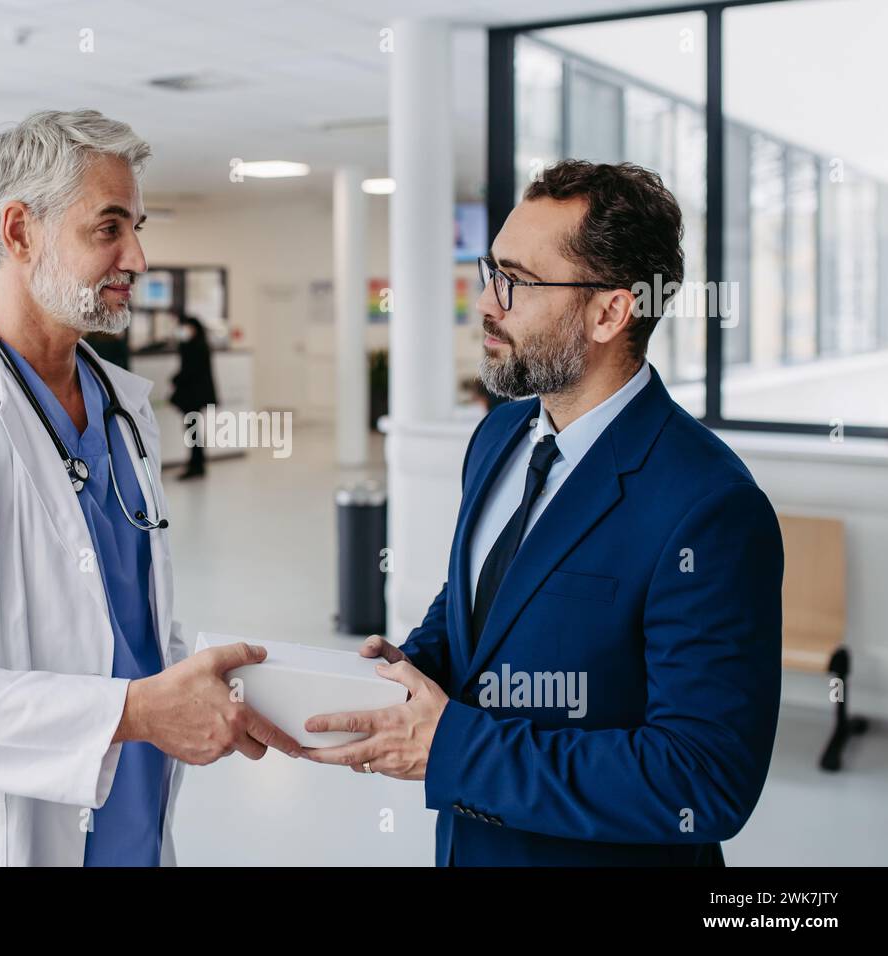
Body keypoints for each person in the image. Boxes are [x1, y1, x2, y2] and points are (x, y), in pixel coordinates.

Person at [0, 109, 301, 868]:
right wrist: (134, 712)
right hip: (4, 839)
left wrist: (214, 694)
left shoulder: (126, 413)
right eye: (108, 228)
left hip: (135, 826)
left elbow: (130, 622)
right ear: (20, 233)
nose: (139, 258)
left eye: (138, 227)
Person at [303, 160, 784, 867]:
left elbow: (702, 778)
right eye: (490, 271)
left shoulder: (709, 507)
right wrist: (409, 665)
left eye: (518, 283)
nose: (487, 304)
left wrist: (453, 747)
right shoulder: (498, 436)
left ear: (611, 312)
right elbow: (481, 601)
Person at [169, 315, 218, 479]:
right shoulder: (198, 345)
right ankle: (197, 464)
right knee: (194, 431)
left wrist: (175, 379)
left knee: (193, 431)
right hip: (194, 396)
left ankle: (196, 465)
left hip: (193, 397)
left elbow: (190, 372)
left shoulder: (195, 347)